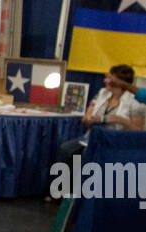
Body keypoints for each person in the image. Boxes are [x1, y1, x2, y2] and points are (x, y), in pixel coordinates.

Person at [49, 64, 146, 196]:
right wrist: (89, 119)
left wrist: (119, 120)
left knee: (86, 155)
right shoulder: (102, 93)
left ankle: (81, 195)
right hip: (92, 136)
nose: (106, 80)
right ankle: (60, 192)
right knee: (65, 149)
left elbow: (138, 131)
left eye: (110, 78)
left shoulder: (134, 101)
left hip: (114, 139)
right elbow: (87, 116)